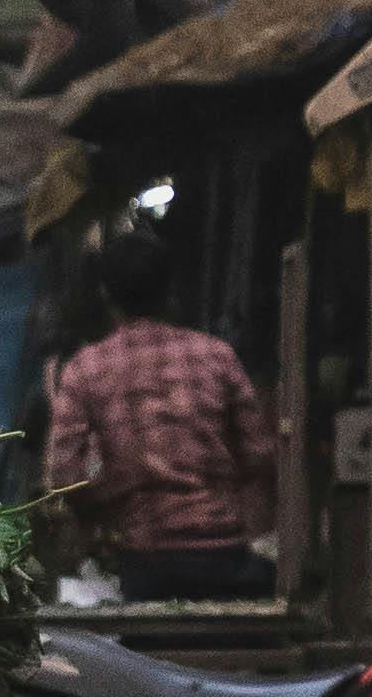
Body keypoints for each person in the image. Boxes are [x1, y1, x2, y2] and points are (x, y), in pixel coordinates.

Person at [39, 218, 279, 600]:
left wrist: (106, 512)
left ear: (105, 295)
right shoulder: (217, 356)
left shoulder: (85, 369)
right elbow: (259, 455)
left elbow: (64, 474)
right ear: (170, 292)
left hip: (144, 565)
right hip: (225, 557)